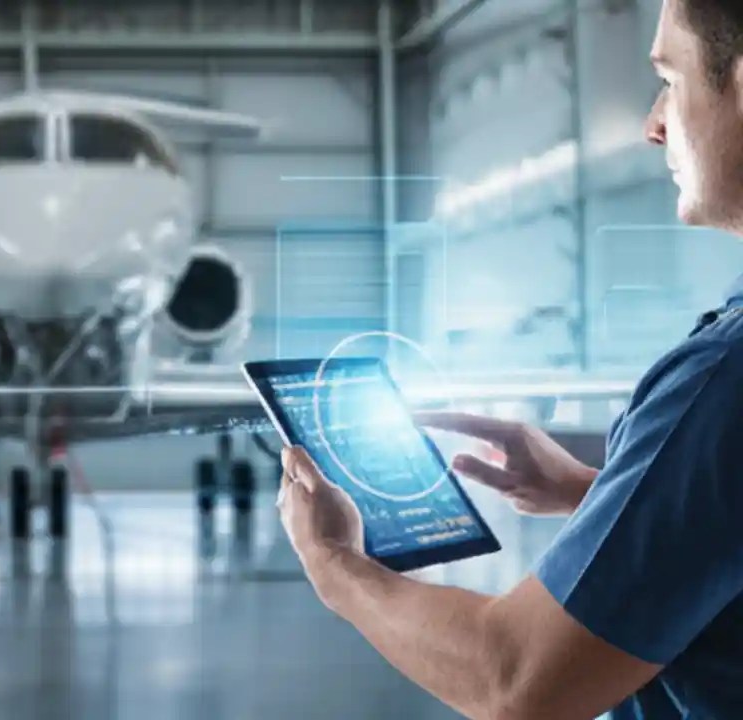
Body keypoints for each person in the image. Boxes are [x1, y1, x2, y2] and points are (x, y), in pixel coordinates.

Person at [276, 1, 743, 717]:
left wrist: (337, 566)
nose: (653, 124)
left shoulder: (721, 382)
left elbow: (516, 679)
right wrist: (600, 494)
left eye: (670, 82)